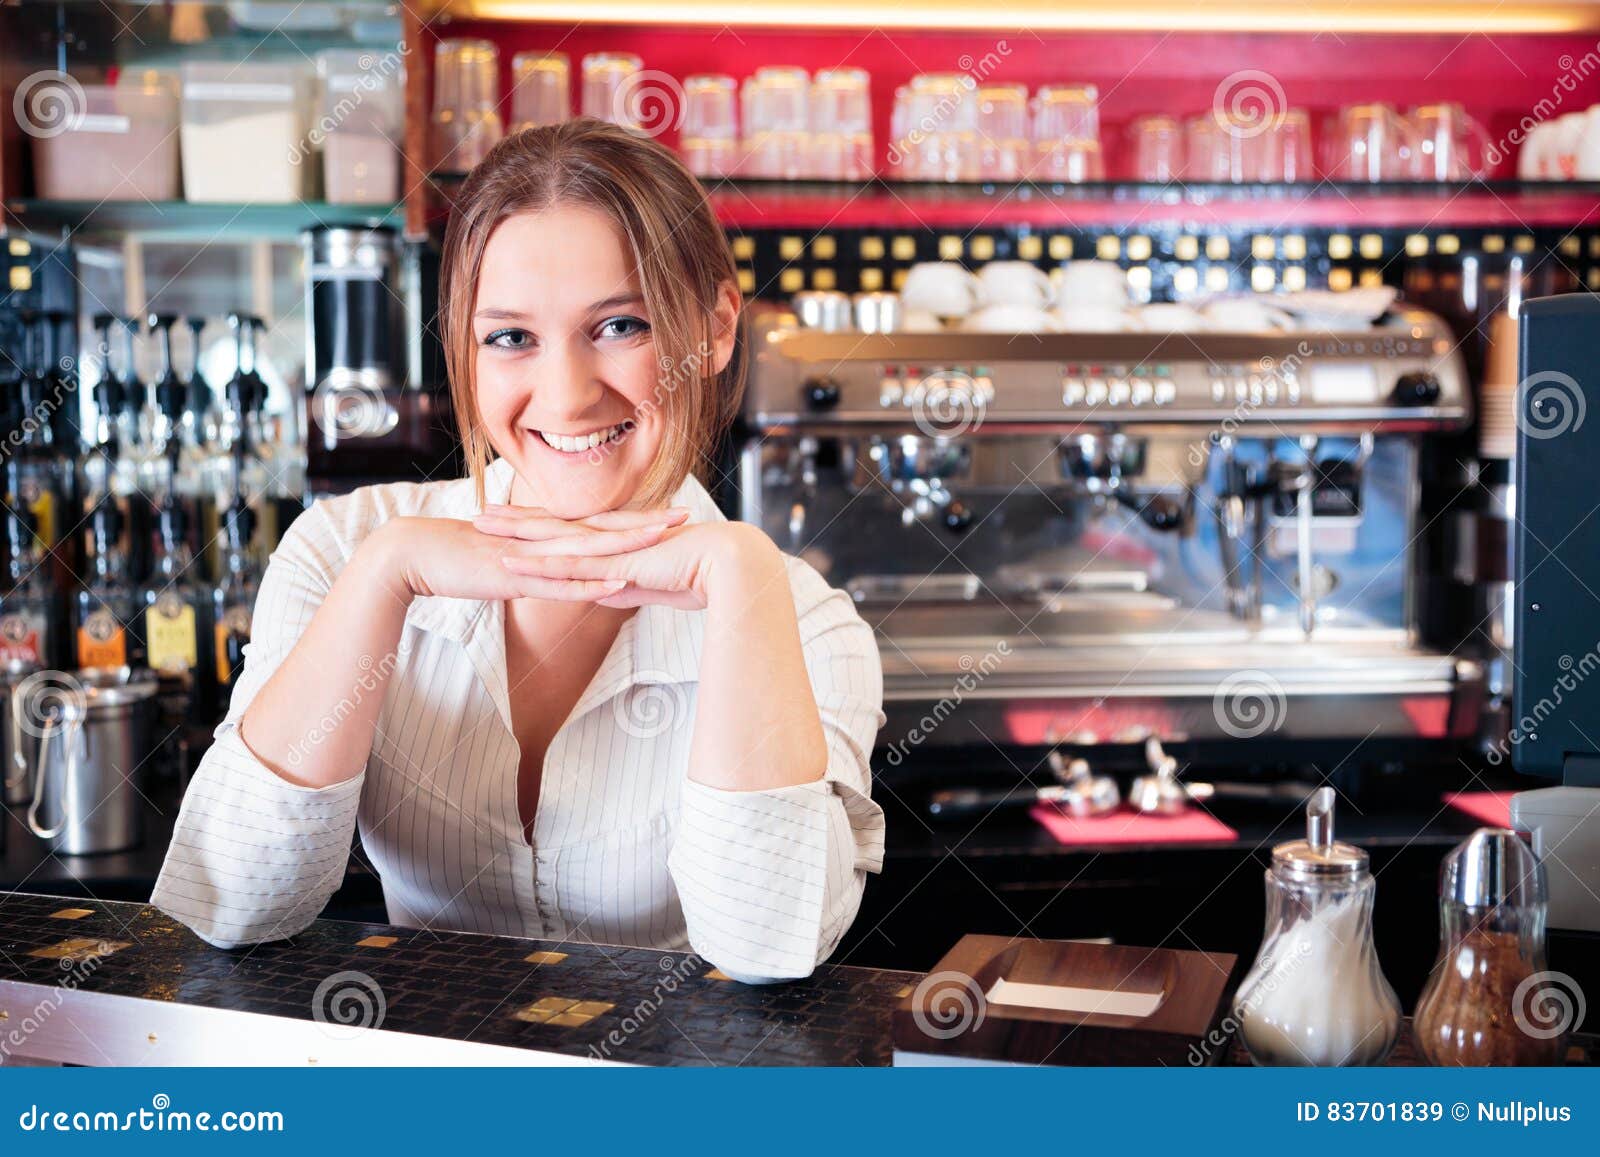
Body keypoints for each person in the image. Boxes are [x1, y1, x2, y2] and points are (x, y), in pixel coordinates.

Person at [151, 119, 886, 984]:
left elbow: (768, 947)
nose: (568, 396)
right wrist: (385, 577)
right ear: (464, 343)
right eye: (510, 337)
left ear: (716, 328)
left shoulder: (801, 618)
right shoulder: (344, 550)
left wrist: (742, 573)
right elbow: (232, 903)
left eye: (621, 325)